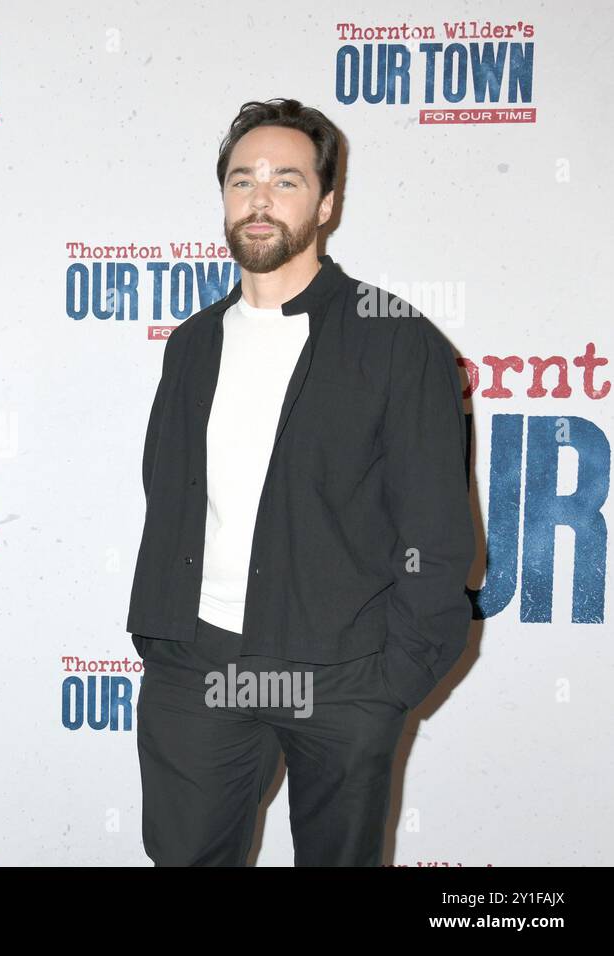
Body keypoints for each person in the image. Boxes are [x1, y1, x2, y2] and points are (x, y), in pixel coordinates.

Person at [127, 99, 475, 865]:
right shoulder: (190, 346)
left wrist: (388, 685)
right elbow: (171, 497)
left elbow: (438, 533)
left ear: (325, 204)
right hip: (199, 667)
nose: (259, 198)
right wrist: (166, 644)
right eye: (242, 180)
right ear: (223, 199)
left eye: (285, 181)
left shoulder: (397, 339)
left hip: (343, 675)